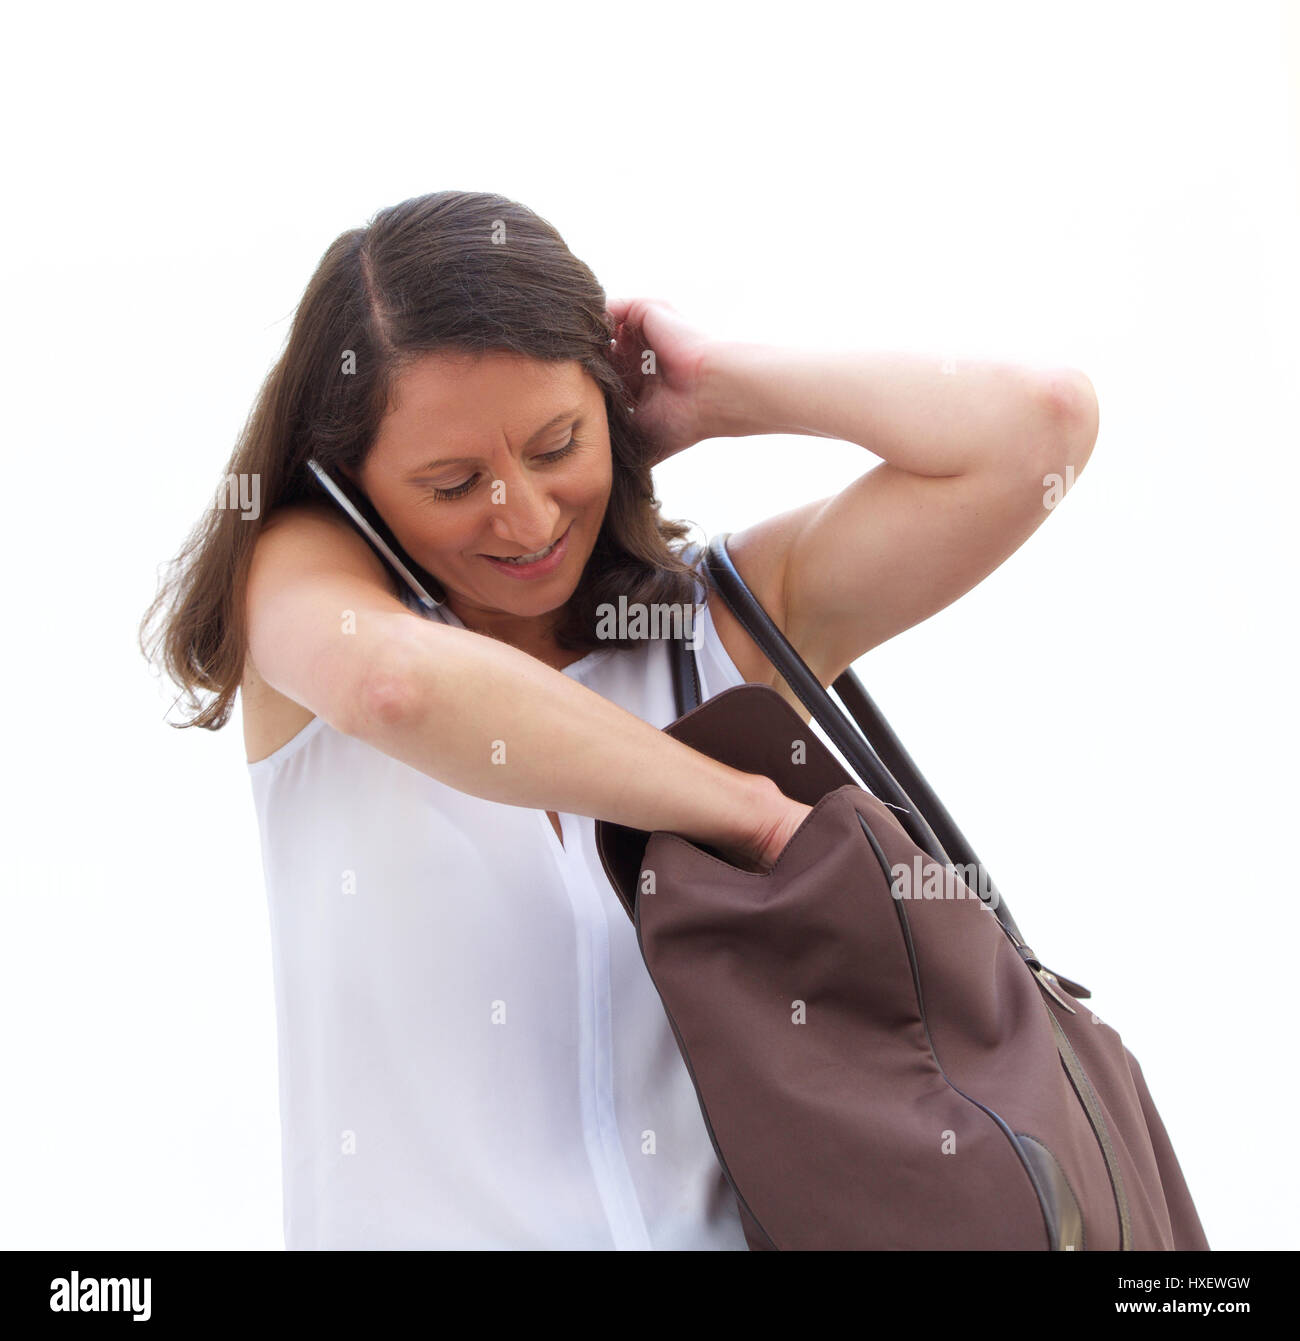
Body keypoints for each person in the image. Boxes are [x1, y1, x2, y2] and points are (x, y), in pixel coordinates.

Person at [139, 190, 1098, 1250]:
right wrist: (743, 809)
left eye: (556, 444)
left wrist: (717, 388)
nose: (527, 515)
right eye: (454, 482)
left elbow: (1040, 427)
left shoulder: (715, 627)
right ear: (348, 482)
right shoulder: (300, 601)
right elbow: (398, 691)